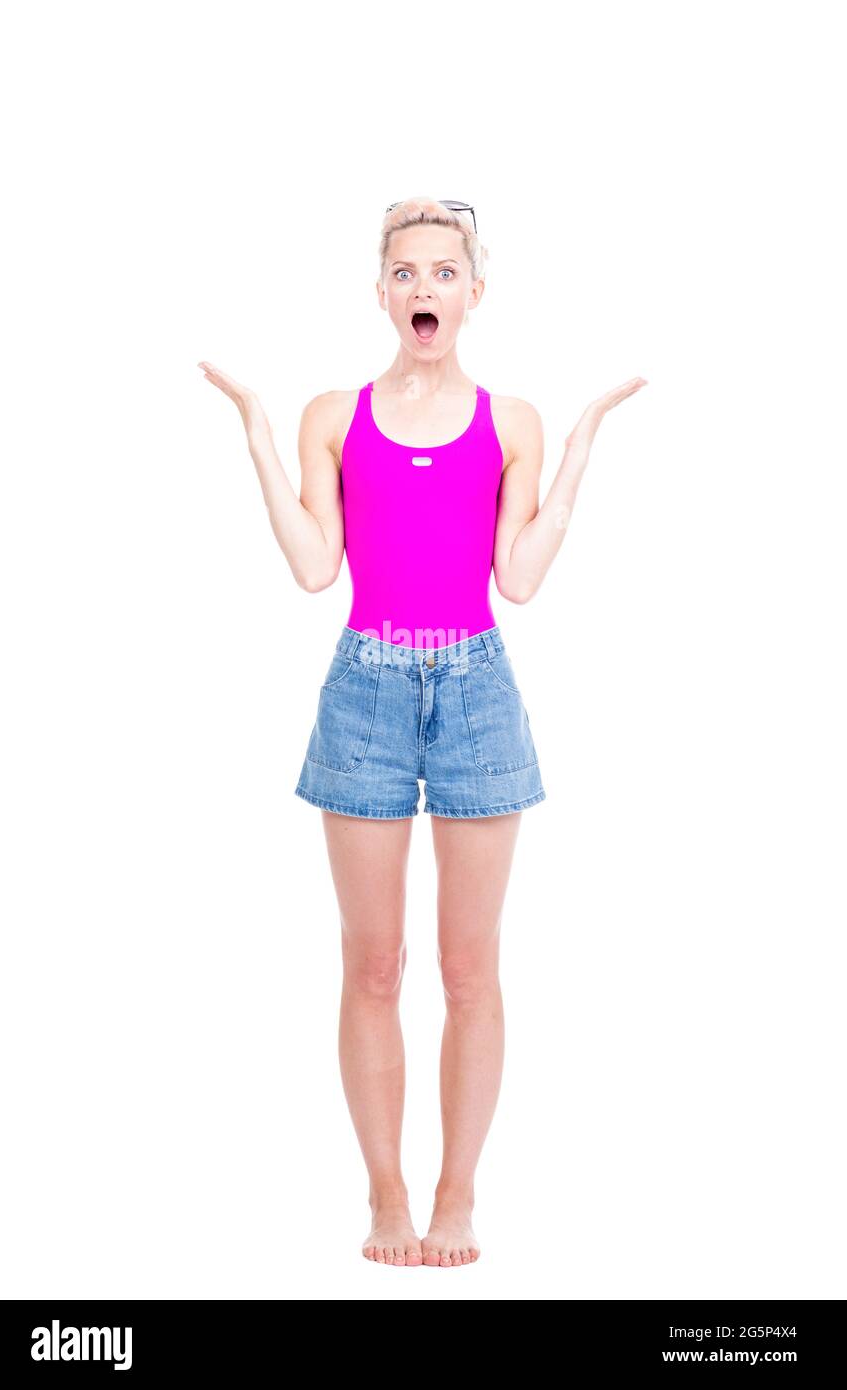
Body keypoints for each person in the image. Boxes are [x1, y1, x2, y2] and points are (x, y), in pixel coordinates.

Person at [198, 195, 646, 1268]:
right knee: (371, 967)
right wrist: (255, 429)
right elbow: (314, 568)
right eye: (405, 273)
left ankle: (457, 1200)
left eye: (444, 272)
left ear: (473, 291)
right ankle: (385, 1200)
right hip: (364, 688)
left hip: (478, 688)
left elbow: (521, 579)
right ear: (381, 292)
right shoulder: (328, 413)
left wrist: (579, 447)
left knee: (468, 970)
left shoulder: (514, 421)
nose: (423, 290)